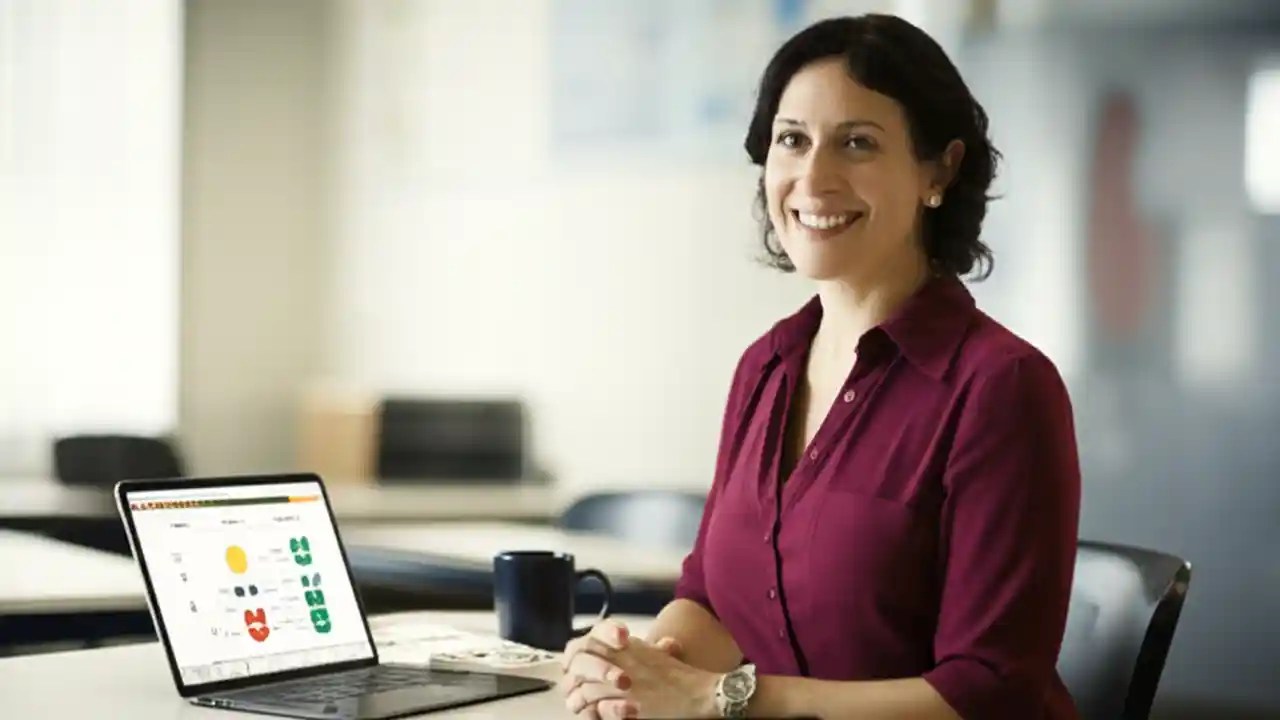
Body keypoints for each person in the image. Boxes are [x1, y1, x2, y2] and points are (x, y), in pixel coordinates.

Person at [558, 13, 1081, 720]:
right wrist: (634, 673)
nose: (813, 177)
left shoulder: (1002, 388)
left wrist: (723, 699)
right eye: (792, 141)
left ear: (939, 170)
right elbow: (711, 599)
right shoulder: (765, 368)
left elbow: (990, 690)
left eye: (857, 143)